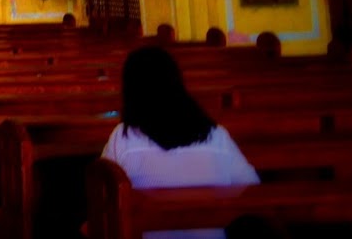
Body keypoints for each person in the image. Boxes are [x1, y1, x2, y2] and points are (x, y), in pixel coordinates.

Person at [101, 46, 259, 239]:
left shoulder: (123, 138)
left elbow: (103, 197)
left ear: (131, 90)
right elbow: (251, 188)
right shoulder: (216, 135)